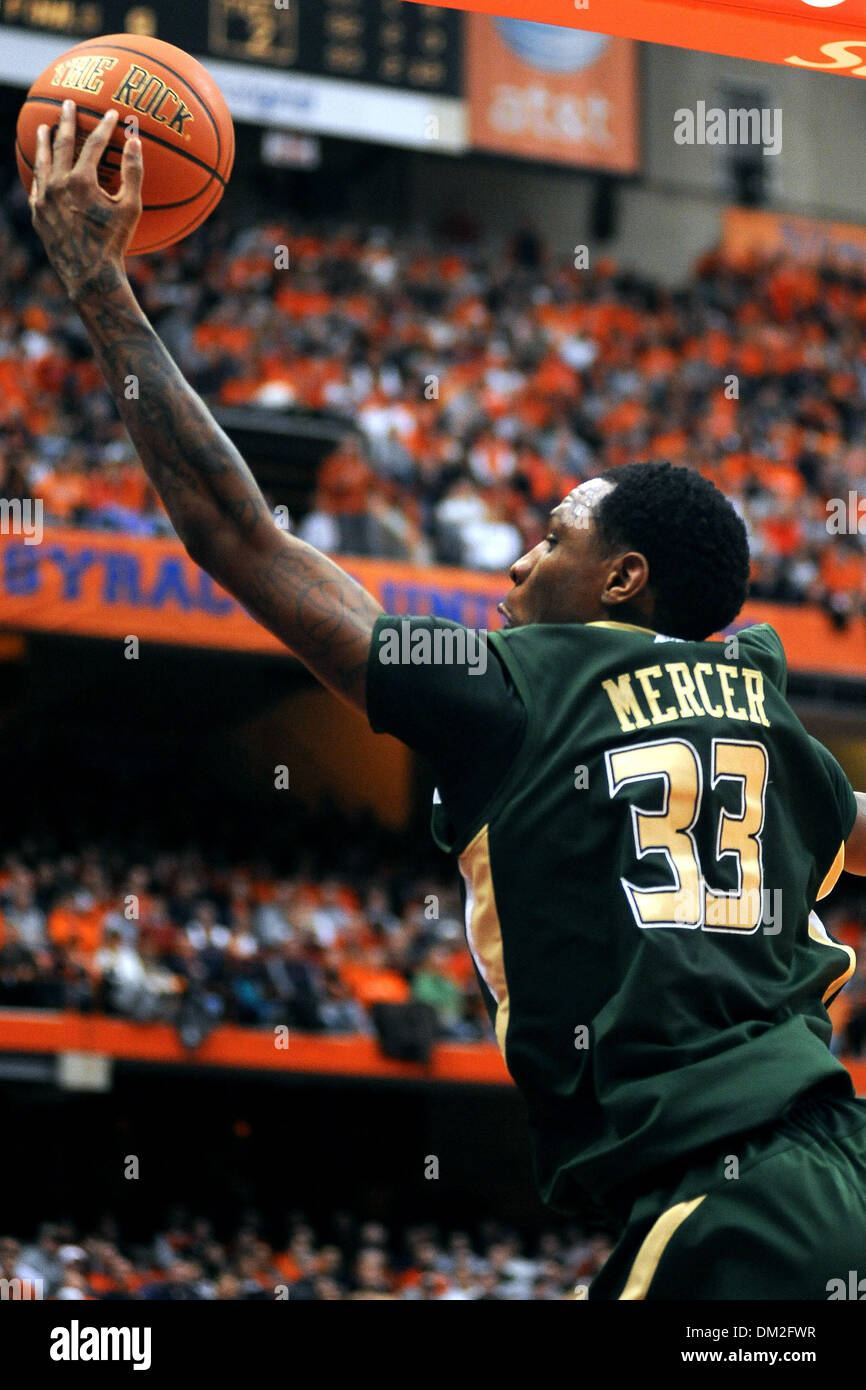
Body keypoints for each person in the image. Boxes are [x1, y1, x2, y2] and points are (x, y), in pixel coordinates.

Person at [29, 103, 866, 1300]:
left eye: (549, 536)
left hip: (726, 1205)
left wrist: (98, 285)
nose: (515, 566)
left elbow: (238, 532)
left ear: (621, 579)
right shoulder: (764, 712)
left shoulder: (520, 684)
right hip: (824, 1171)